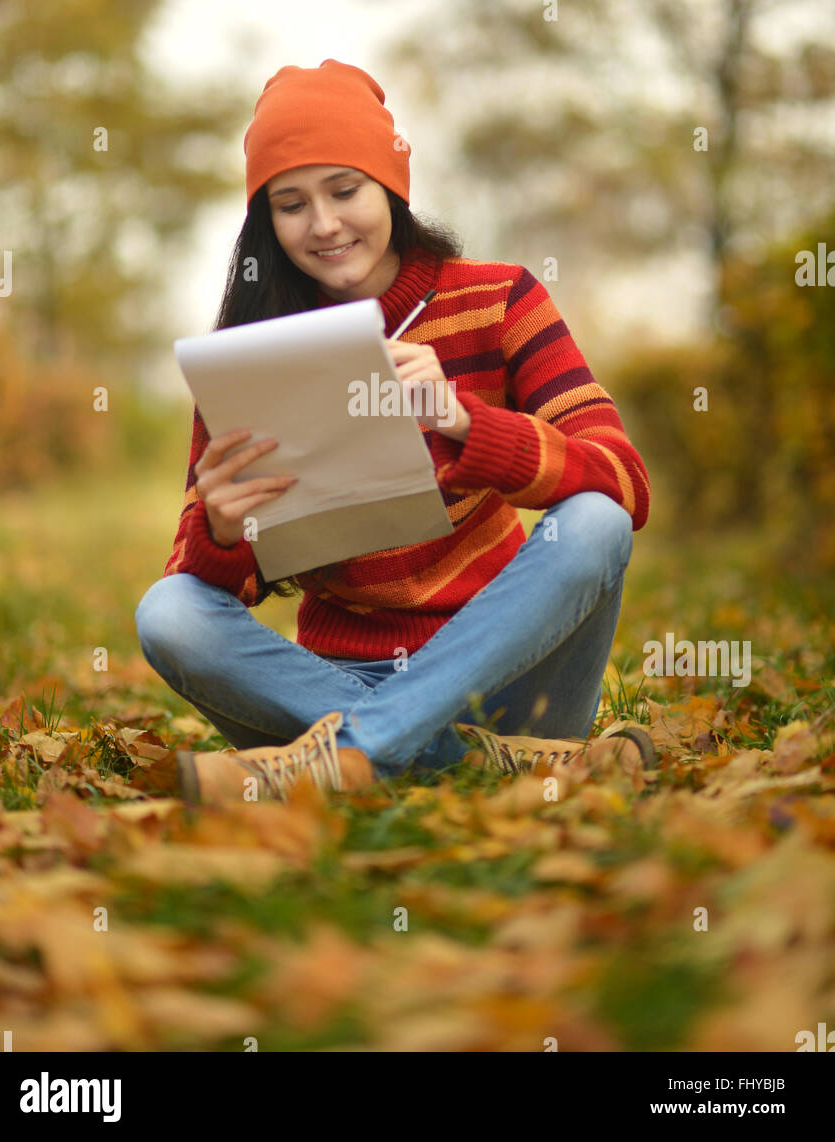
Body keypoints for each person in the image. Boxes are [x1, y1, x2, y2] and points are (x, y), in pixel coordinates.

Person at [134, 58, 655, 804]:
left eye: (345, 190)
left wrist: (464, 421)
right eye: (289, 204)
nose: (323, 225)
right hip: (328, 683)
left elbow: (625, 481)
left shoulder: (500, 298)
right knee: (169, 612)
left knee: (596, 523)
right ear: (266, 221)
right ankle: (475, 764)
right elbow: (224, 586)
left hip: (512, 671)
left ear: (393, 185)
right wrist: (221, 530)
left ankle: (352, 758)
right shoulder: (258, 349)